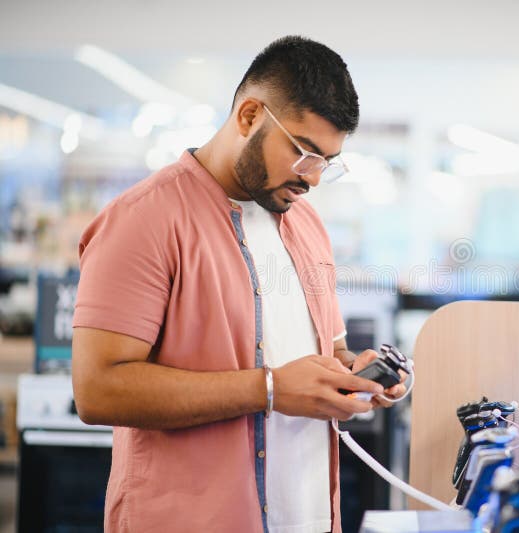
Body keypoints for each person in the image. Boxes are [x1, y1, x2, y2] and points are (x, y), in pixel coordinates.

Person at [71, 35, 405, 533]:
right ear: (249, 117)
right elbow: (98, 390)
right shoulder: (144, 220)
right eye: (303, 153)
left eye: (325, 163)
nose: (311, 178)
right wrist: (268, 388)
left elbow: (328, 355)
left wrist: (358, 379)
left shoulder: (306, 225)